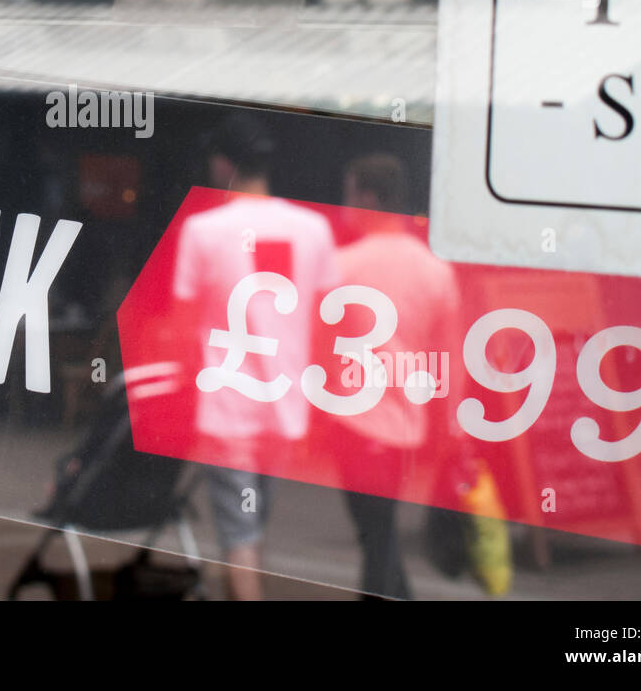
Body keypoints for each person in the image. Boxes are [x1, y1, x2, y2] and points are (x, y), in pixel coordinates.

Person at [172, 112, 338, 600]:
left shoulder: (203, 230)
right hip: (285, 409)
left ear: (223, 164)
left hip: (227, 408)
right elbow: (327, 322)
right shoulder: (313, 228)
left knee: (239, 535)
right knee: (254, 525)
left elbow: (184, 328)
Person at [334, 153, 462, 599]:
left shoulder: (342, 265)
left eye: (349, 193)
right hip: (408, 429)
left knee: (377, 536)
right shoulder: (435, 269)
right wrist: (453, 433)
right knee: (379, 531)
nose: (345, 204)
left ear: (368, 197)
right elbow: (449, 359)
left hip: (353, 422)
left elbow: (317, 351)